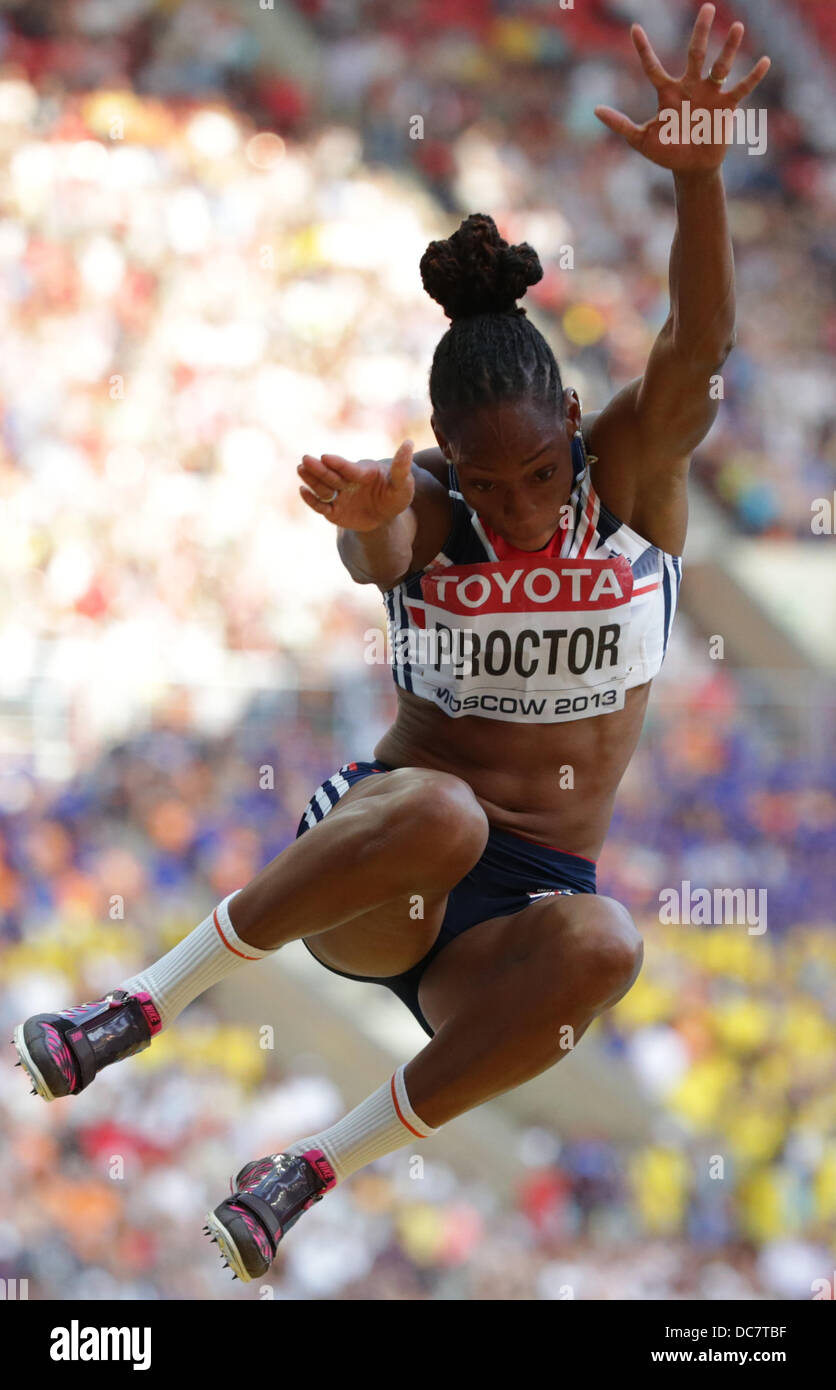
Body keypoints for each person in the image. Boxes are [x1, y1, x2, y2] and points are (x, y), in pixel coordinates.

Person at [12, 5, 769, 1283]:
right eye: (488, 482)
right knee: (444, 817)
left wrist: (696, 183)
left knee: (607, 946)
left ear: (573, 424)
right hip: (385, 862)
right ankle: (137, 1003)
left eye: (538, 472)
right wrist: (376, 527)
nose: (520, 508)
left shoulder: (630, 479)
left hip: (508, 919)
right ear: (444, 463)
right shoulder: (427, 503)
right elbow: (378, 549)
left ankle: (305, 1170)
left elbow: (696, 352)